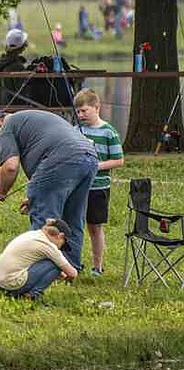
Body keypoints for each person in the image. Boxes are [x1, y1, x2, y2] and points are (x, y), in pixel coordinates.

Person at [0, 109, 98, 270]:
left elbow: (10, 167)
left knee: (45, 221)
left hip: (61, 158)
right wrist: (35, 197)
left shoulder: (8, 125)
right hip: (89, 157)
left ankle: (40, 270)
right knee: (73, 217)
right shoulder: (33, 118)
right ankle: (71, 268)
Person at [74, 89, 124, 275]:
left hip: (98, 187)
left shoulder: (109, 132)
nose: (80, 115)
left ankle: (97, 266)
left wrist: (97, 166)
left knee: (95, 227)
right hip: (79, 186)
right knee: (74, 224)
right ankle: (73, 262)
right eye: (78, 112)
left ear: (97, 108)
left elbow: (119, 160)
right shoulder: (77, 130)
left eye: (84, 110)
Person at [0, 218, 78, 299]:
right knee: (55, 264)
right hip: (12, 285)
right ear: (60, 236)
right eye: (62, 245)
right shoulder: (48, 246)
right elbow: (72, 273)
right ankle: (33, 294)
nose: (59, 248)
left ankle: (20, 292)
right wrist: (66, 276)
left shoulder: (33, 234)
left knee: (54, 264)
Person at [0, 29, 31, 107]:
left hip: (0, 108)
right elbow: (25, 93)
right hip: (14, 111)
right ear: (23, 46)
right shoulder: (17, 67)